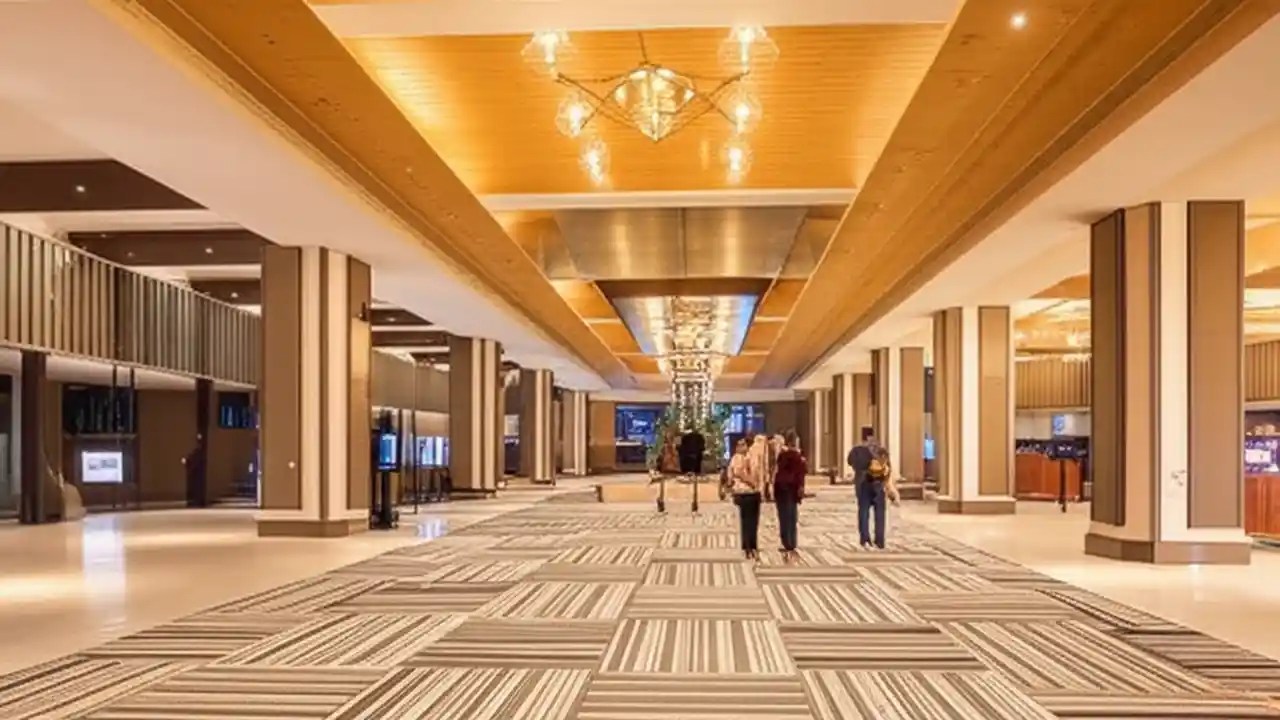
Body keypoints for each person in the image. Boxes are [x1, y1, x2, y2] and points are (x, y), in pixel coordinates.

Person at [850, 429, 892, 548]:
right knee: (880, 514)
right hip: (878, 484)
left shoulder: (857, 451)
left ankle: (865, 538)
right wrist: (886, 484)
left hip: (863, 484)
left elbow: (850, 462)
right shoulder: (881, 451)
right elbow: (888, 468)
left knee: (863, 512)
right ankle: (879, 539)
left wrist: (858, 470)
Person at [773, 431, 807, 557]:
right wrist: (801, 487)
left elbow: (777, 471)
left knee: (783, 516)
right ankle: (792, 542)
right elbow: (801, 475)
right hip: (792, 488)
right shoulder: (798, 457)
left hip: (781, 488)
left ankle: (786, 541)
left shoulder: (782, 456)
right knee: (792, 515)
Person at [728, 439, 760, 559]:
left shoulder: (750, 457)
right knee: (747, 520)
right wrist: (751, 481)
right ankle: (747, 546)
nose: (741, 447)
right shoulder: (737, 458)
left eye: (744, 445)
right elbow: (738, 472)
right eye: (739, 445)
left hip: (754, 492)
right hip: (744, 492)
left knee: (753, 521)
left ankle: (753, 545)